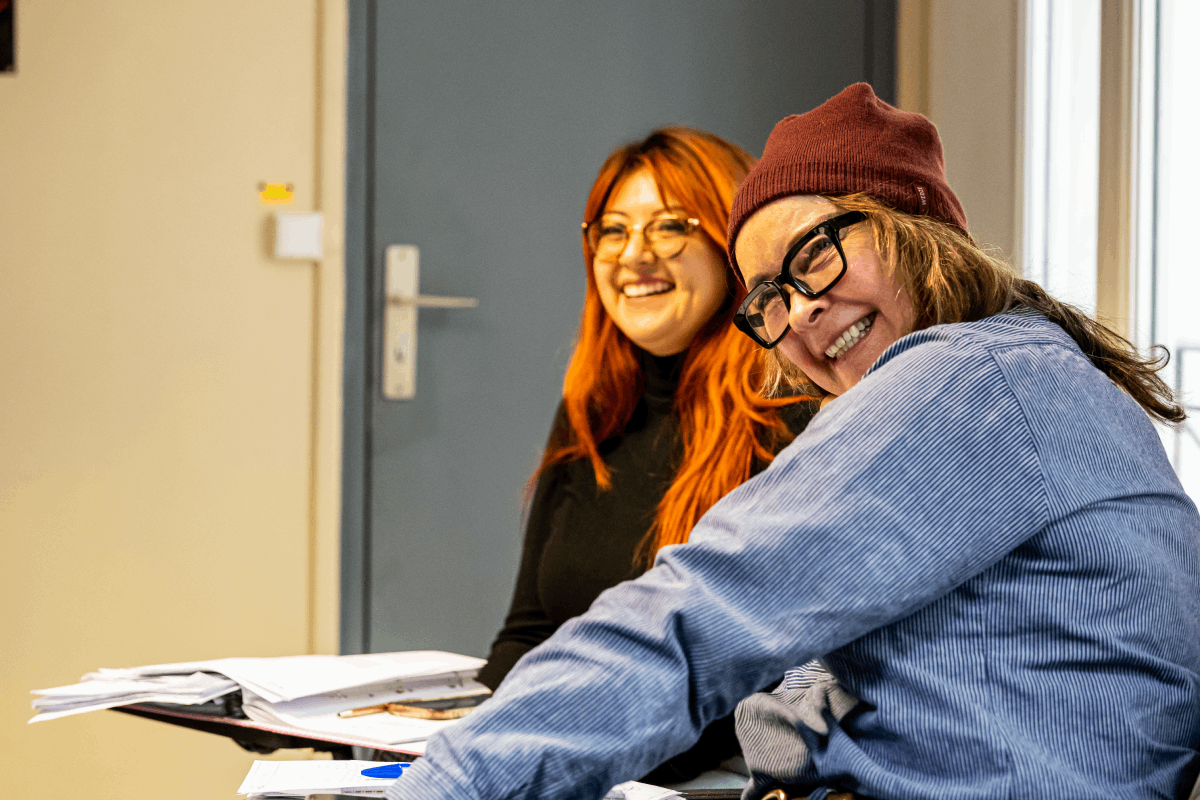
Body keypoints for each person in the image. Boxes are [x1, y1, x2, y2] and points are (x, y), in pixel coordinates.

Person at [385, 85, 1200, 800]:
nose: (800, 309)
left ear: (915, 230)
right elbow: (803, 680)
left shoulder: (967, 381)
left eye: (815, 252)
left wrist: (445, 786)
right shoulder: (1026, 375)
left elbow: (699, 618)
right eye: (768, 295)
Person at [474, 128, 818, 783]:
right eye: (613, 229)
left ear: (734, 246)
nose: (634, 255)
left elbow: (766, 672)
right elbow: (527, 634)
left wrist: (563, 753)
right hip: (583, 763)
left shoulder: (793, 415)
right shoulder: (594, 408)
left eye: (669, 226)